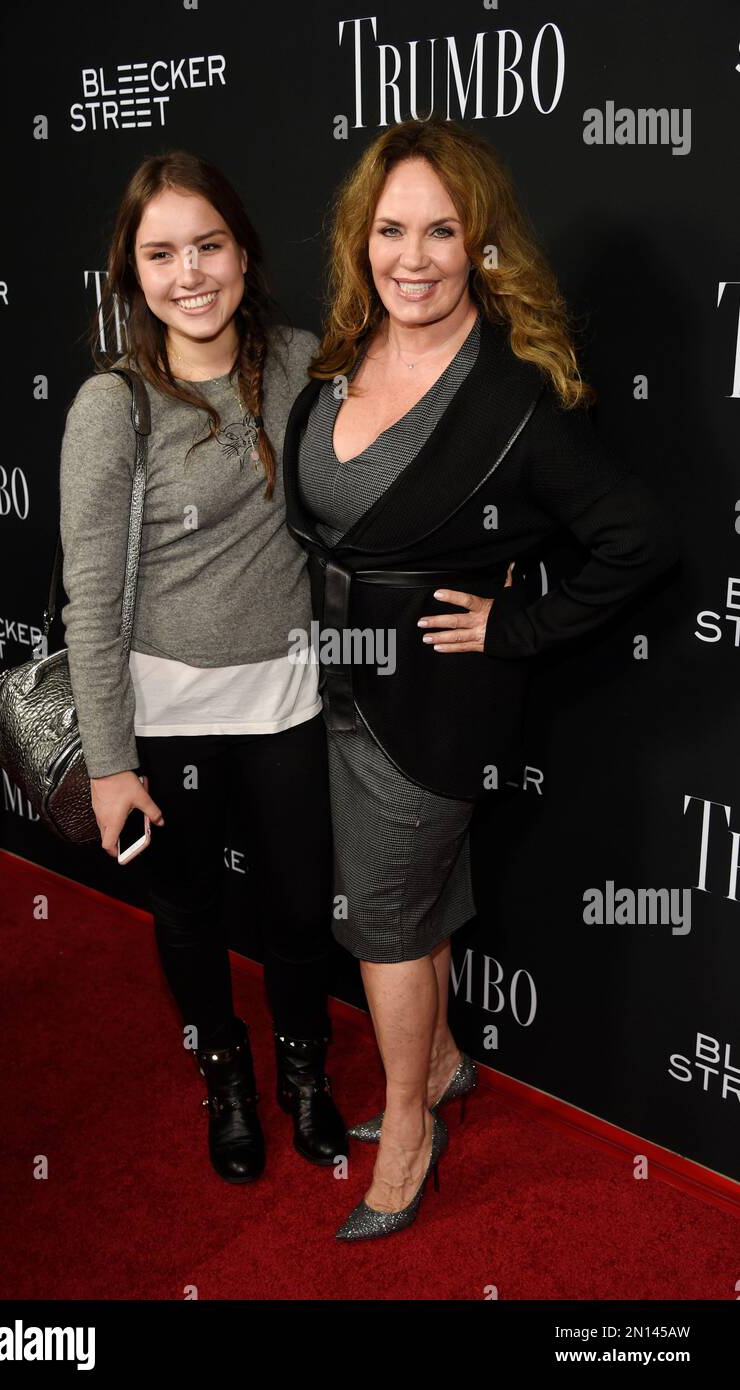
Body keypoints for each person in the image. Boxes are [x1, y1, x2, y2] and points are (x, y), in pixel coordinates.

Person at [282, 118, 680, 1241]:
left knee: (388, 925)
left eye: (442, 231)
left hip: (428, 708)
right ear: (362, 240)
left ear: (482, 245)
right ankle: (446, 1059)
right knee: (410, 902)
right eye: (392, 228)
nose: (413, 256)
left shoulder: (512, 396)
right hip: (330, 686)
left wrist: (520, 623)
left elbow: (639, 539)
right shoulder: (339, 355)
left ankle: (408, 1127)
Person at [59, 151, 348, 1185]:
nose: (189, 272)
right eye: (161, 252)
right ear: (132, 275)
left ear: (242, 252)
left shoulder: (306, 363)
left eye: (208, 245)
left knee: (299, 910)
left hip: (288, 700)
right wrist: (107, 764)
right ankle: (223, 1073)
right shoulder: (114, 405)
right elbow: (91, 597)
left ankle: (303, 1073)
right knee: (187, 914)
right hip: (166, 718)